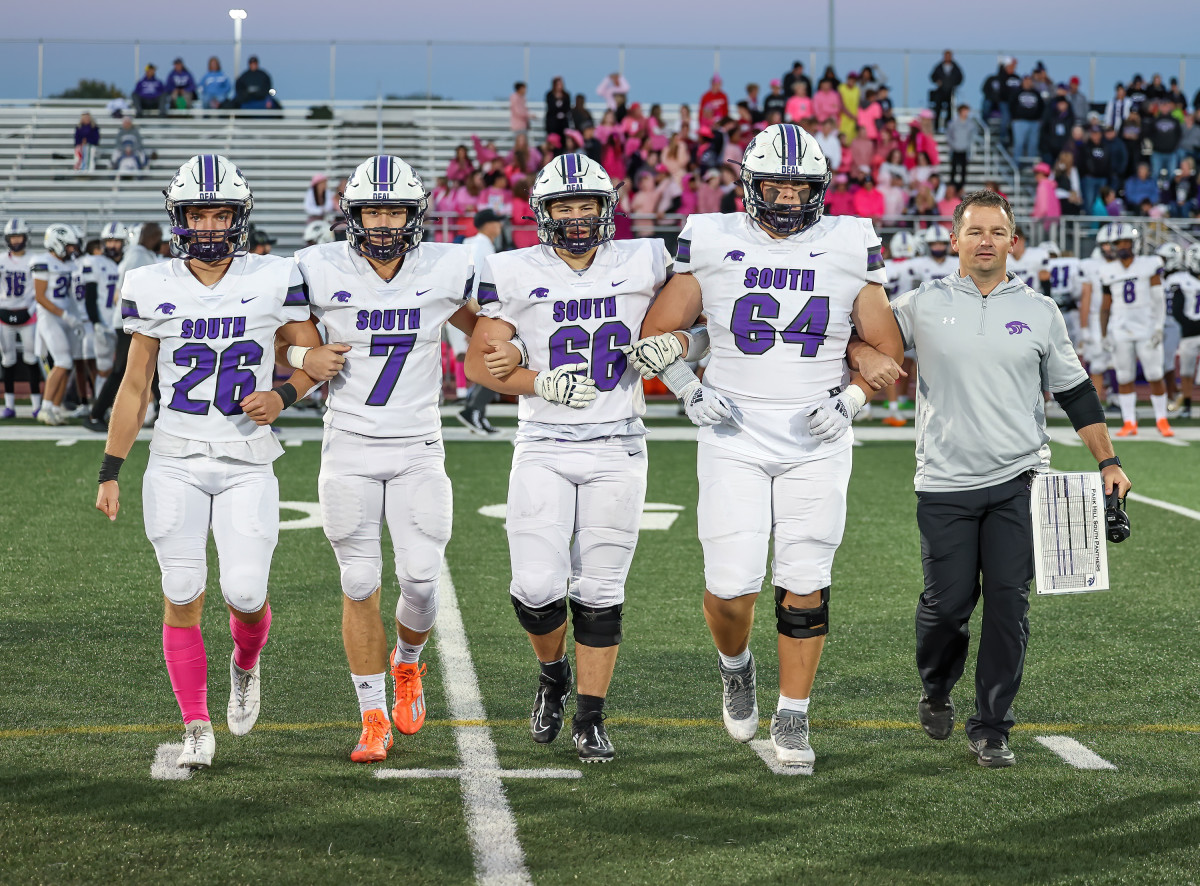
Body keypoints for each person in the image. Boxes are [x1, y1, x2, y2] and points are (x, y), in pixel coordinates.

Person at [629, 123, 903, 771]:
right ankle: (735, 666)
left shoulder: (848, 242)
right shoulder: (714, 237)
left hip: (818, 432)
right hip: (733, 431)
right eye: (775, 183)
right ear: (748, 184)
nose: (786, 197)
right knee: (729, 590)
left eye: (799, 185)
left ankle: (794, 715)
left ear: (820, 189)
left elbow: (887, 350)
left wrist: (854, 400)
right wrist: (689, 390)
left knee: (805, 580)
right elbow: (656, 335)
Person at [851, 189, 1131, 768]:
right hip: (944, 482)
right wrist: (861, 356)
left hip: (1020, 479)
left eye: (996, 232)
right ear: (954, 241)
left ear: (1013, 242)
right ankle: (936, 686)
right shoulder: (922, 303)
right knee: (946, 605)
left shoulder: (1040, 310)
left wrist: (1109, 461)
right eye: (974, 232)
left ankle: (992, 725)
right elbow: (864, 338)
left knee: (1009, 605)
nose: (985, 241)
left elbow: (1075, 392)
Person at [93, 154, 344, 770]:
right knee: (181, 588)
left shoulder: (273, 277)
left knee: (245, 591)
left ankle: (246, 664)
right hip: (174, 455)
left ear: (239, 216)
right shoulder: (151, 283)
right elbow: (134, 384)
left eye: (220, 213)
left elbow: (321, 358)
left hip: (246, 459)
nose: (208, 226)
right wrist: (110, 468)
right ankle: (196, 723)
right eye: (197, 214)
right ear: (178, 220)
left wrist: (284, 392)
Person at [463, 154, 670, 763]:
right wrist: (535, 381)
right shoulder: (510, 270)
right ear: (543, 212)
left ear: (606, 210)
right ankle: (551, 672)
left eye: (586, 206)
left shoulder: (646, 259)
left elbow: (706, 312)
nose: (576, 218)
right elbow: (479, 364)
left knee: (602, 590)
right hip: (544, 442)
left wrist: (687, 343)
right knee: (535, 587)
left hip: (618, 440)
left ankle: (589, 715)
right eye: (564, 207)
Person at [294, 154, 478, 763]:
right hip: (347, 441)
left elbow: (484, 328)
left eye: (393, 208)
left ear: (413, 214)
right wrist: (302, 360)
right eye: (372, 209)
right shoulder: (318, 268)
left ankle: (407, 664)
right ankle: (371, 713)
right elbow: (279, 327)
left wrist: (505, 351)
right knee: (359, 580)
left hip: (418, 442)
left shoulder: (443, 269)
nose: (381, 221)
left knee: (421, 581)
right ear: (352, 214)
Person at [84, 223, 163, 433]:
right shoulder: (138, 254)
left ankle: (163, 412)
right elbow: (133, 288)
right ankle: (95, 414)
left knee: (152, 368)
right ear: (150, 237)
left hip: (136, 319)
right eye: (158, 237)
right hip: (132, 320)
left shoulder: (140, 254)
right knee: (120, 370)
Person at [1099, 223, 1173, 437]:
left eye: (1124, 242)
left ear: (1134, 243)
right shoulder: (1107, 270)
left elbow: (1159, 300)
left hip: (1147, 327)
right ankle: (1129, 421)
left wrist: (1159, 327)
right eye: (1117, 243)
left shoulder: (1149, 264)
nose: (1120, 246)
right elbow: (1106, 305)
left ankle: (1162, 419)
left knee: (1155, 374)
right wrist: (1103, 334)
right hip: (1120, 329)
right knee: (1124, 376)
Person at [455, 208, 505, 436]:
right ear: (488, 224)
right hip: (477, 310)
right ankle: (474, 411)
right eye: (497, 222)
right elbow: (473, 283)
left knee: (490, 362)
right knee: (494, 362)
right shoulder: (482, 245)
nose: (500, 226)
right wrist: (474, 318)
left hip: (472, 309)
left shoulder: (473, 243)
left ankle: (474, 411)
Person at [31, 223, 82, 426]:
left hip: (64, 317)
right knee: (62, 362)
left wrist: (74, 317)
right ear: (58, 243)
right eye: (68, 246)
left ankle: (55, 408)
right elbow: (40, 297)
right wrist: (65, 315)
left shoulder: (68, 264)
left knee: (66, 365)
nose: (72, 249)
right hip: (50, 318)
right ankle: (45, 408)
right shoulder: (42, 261)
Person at [0, 218, 42, 418]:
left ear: (26, 237)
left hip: (27, 313)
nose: (16, 240)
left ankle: (36, 405)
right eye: (12, 237)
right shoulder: (1, 260)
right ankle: (9, 405)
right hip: (4, 314)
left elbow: (39, 290)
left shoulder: (34, 259)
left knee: (31, 358)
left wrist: (31, 309)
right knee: (8, 359)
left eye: (19, 236)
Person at [1168, 244, 1200, 417]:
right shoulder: (1181, 280)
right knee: (1186, 372)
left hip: (1192, 330)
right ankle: (1187, 406)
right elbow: (1177, 309)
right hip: (1189, 332)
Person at [930, 51, 963, 132]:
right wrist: (938, 81)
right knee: (937, 109)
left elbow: (960, 77)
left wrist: (953, 84)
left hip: (950, 92)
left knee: (950, 110)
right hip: (940, 92)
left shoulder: (955, 67)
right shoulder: (939, 66)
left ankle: (948, 127)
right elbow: (932, 76)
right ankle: (936, 127)